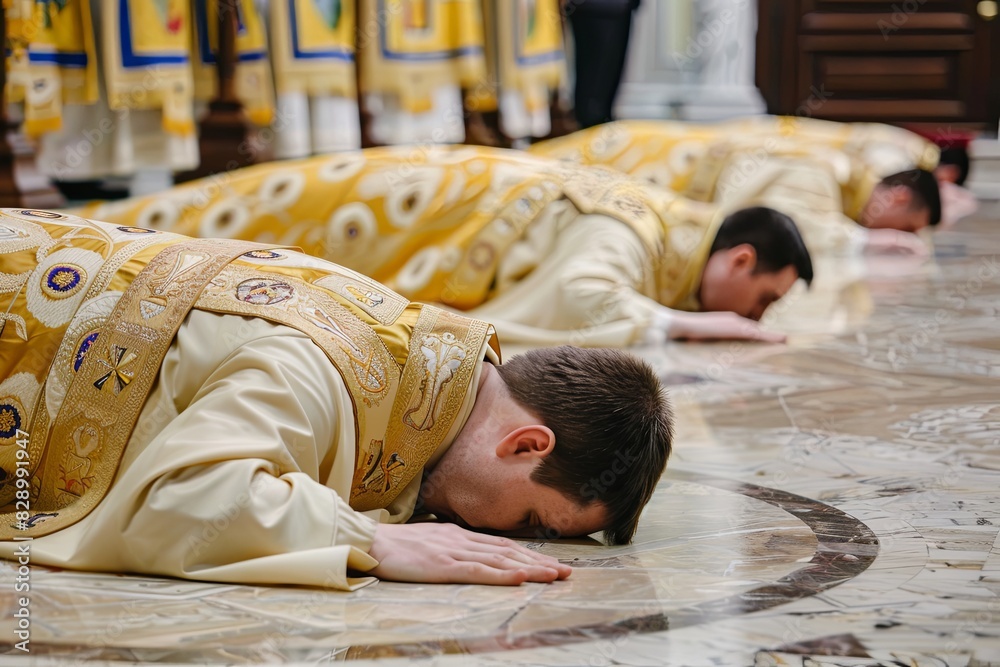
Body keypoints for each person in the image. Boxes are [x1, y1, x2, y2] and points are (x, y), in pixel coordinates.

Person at [0, 209, 672, 589]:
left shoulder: (413, 364)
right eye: (534, 522)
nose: (510, 542)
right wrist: (369, 538)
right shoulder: (323, 365)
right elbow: (180, 498)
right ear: (526, 443)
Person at [79, 146, 813, 346]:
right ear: (741, 259)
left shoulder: (664, 233)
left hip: (425, 198)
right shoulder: (630, 230)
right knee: (216, 224)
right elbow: (581, 299)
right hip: (402, 207)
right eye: (762, 300)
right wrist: (693, 323)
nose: (754, 315)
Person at [531, 121, 942, 254]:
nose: (899, 234)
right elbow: (787, 223)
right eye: (906, 225)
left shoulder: (842, 176)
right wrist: (864, 243)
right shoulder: (825, 173)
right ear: (899, 195)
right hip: (653, 161)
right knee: (538, 170)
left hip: (664, 159)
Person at [563, 0, 641, 128]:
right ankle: (591, 132)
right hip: (597, 8)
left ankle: (597, 127)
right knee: (593, 100)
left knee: (604, 91)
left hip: (615, 7)